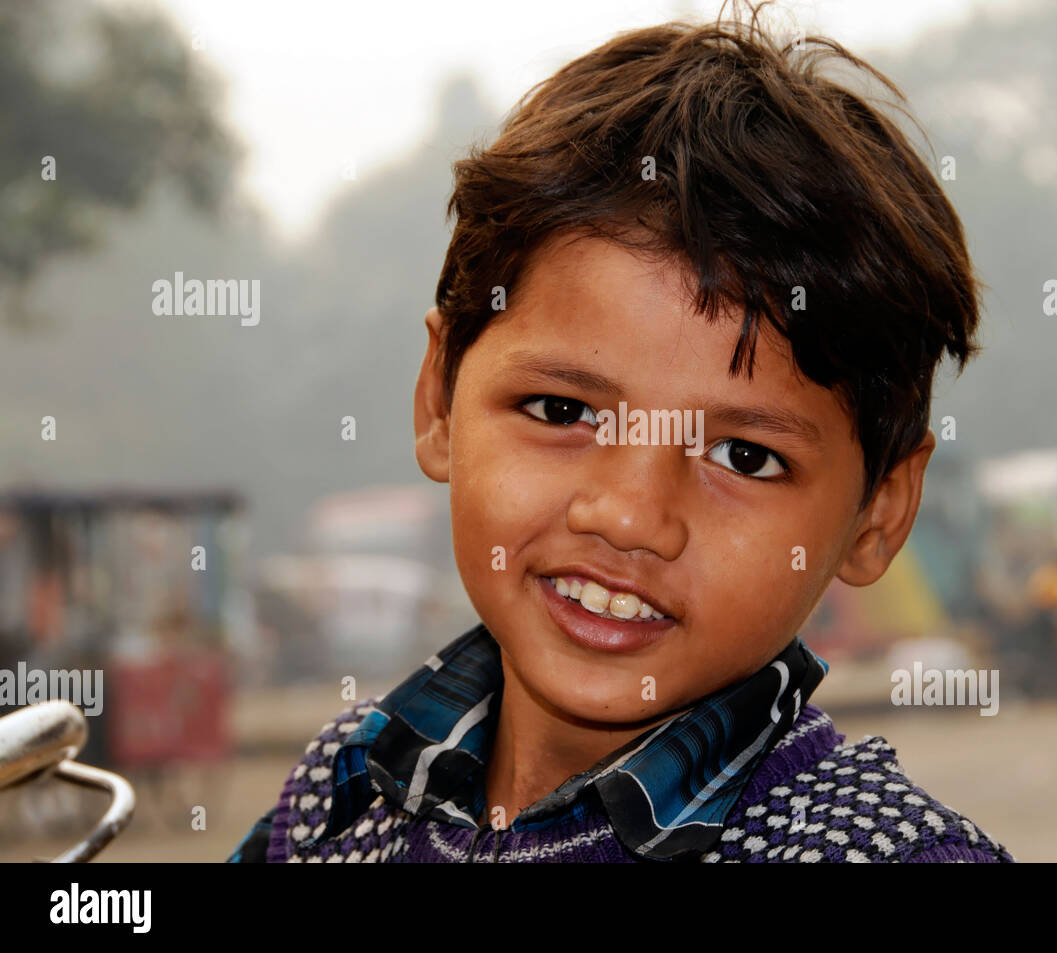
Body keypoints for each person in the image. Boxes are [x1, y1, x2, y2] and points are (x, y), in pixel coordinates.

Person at [227, 0, 1013, 864]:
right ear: (440, 397)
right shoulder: (339, 799)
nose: (630, 516)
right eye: (563, 411)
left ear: (879, 513)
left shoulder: (882, 856)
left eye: (744, 455)